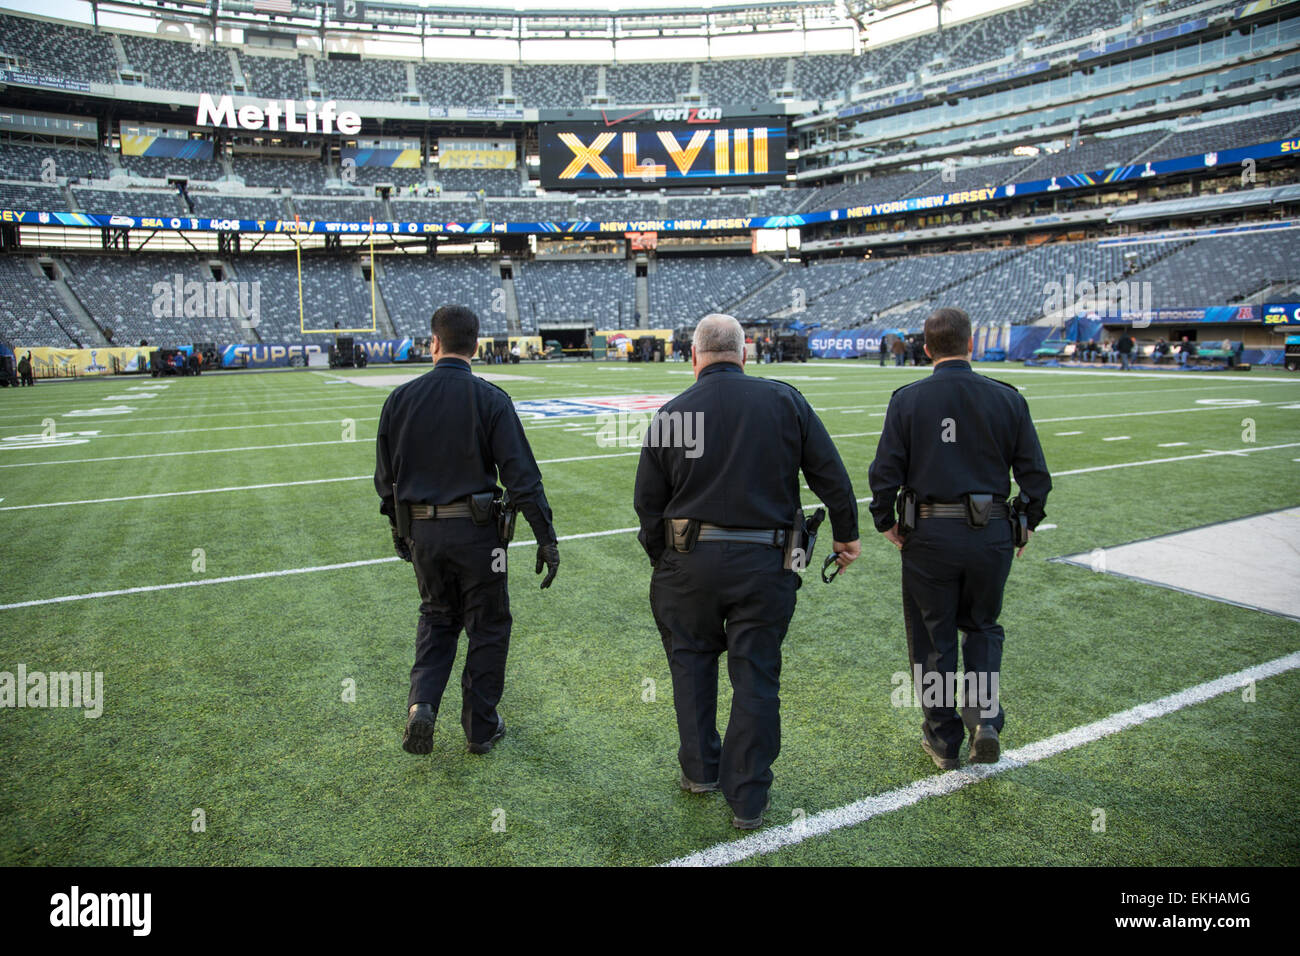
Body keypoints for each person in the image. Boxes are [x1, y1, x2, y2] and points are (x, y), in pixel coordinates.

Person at [633, 314, 861, 830]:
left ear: (694, 358)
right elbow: (832, 478)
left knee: (690, 663)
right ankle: (748, 796)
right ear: (746, 353)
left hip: (688, 563)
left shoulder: (671, 414)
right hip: (767, 561)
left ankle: (700, 770)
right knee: (755, 671)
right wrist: (846, 534)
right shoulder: (784, 401)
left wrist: (665, 559)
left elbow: (647, 506)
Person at [867, 307, 1052, 771]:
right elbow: (1035, 475)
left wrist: (884, 520)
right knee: (983, 627)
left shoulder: (908, 399)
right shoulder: (1007, 398)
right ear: (971, 344)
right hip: (991, 531)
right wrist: (1026, 521)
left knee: (933, 639)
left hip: (929, 532)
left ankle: (944, 738)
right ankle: (984, 717)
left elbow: (884, 471)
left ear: (926, 348)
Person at [375, 304, 560, 758]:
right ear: (476, 346)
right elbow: (522, 478)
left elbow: (386, 482)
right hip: (481, 538)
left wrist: (402, 532)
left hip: (424, 534)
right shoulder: (491, 399)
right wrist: (545, 537)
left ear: (433, 343)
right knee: (488, 624)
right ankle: (479, 728)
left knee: (437, 617)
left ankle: (422, 704)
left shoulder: (400, 400)